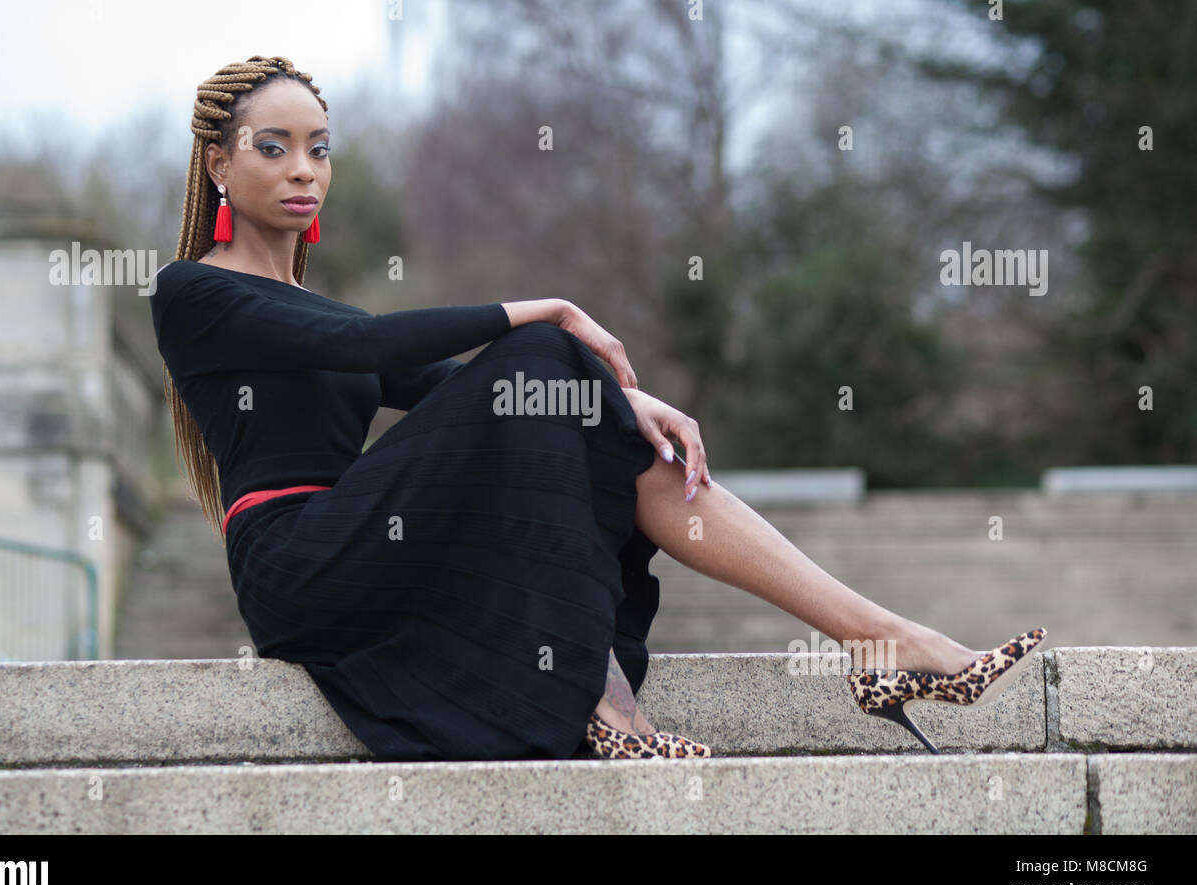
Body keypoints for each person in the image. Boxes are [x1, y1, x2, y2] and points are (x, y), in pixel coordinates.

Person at [150, 55, 1046, 762]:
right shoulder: (191, 294)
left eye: (320, 146)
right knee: (544, 350)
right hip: (300, 566)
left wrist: (622, 399)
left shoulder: (323, 309)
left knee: (587, 415)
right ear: (220, 163)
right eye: (274, 146)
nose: (304, 168)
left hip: (365, 542)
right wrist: (550, 311)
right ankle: (602, 695)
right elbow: (365, 350)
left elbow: (462, 394)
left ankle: (879, 638)